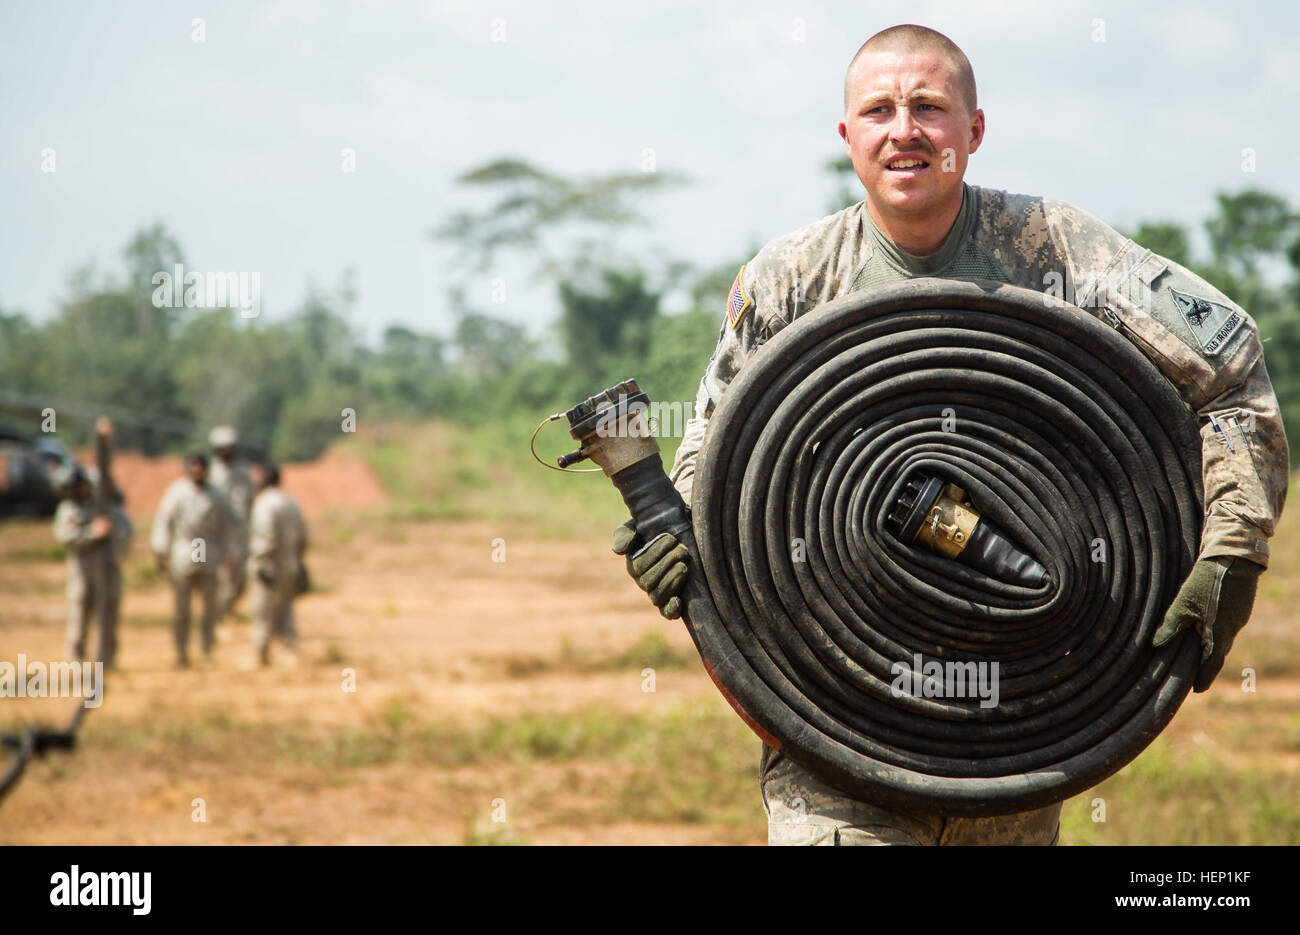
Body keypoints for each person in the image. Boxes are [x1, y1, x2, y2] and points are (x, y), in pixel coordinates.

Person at [613, 24, 1289, 846]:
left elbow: (1229, 366)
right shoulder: (793, 278)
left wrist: (1231, 550)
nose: (905, 130)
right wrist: (679, 526)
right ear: (848, 137)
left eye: (929, 107)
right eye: (880, 110)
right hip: (834, 715)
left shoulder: (1053, 249)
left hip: (1015, 719)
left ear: (973, 131)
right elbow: (714, 448)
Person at [151, 453, 237, 666]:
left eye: (201, 468)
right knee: (182, 608)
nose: (197, 472)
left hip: (208, 551)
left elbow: (227, 526)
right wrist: (161, 551)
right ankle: (181, 652)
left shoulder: (217, 495)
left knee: (210, 608)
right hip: (184, 550)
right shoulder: (176, 492)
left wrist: (230, 553)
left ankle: (207, 649)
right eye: (194, 468)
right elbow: (164, 521)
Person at [52, 463, 132, 668]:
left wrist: (114, 538)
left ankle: (107, 659)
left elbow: (125, 529)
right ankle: (75, 658)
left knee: (108, 612)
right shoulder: (68, 509)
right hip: (82, 568)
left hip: (108, 568)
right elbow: (65, 537)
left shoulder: (104, 505)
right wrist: (93, 533)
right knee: (79, 611)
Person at [245, 463, 308, 667]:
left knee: (262, 612)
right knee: (285, 609)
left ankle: (260, 656)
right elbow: (302, 536)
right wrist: (298, 562)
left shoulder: (264, 504)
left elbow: (266, 537)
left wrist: (261, 563)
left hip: (269, 567)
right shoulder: (292, 503)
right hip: (290, 565)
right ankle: (290, 653)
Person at [208, 425, 253, 623]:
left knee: (241, 578)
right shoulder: (211, 475)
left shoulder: (242, 473)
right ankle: (219, 616)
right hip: (218, 535)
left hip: (241, 533)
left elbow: (250, 500)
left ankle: (229, 608)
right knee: (222, 577)